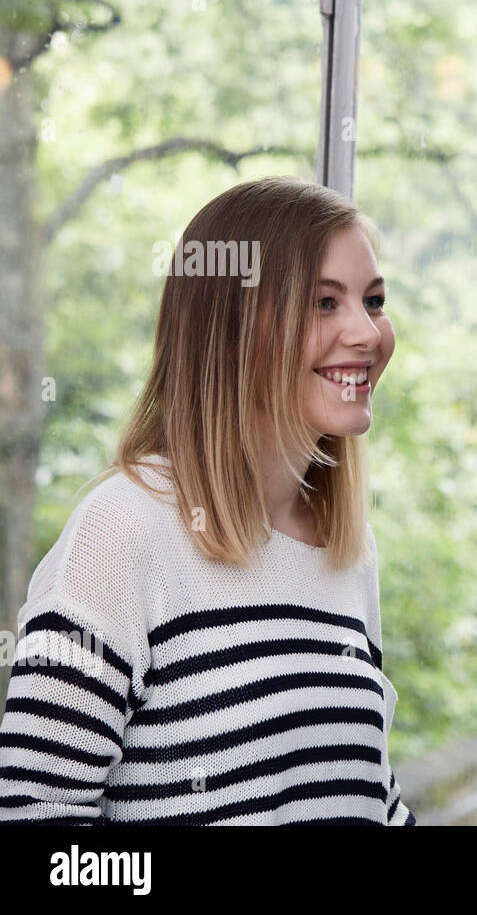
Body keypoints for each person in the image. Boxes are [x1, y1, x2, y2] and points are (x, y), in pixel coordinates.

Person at [0, 177, 416, 825]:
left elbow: (368, 799)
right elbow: (35, 818)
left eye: (374, 301)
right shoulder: (122, 532)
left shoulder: (348, 552)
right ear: (233, 328)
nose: (367, 333)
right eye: (324, 302)